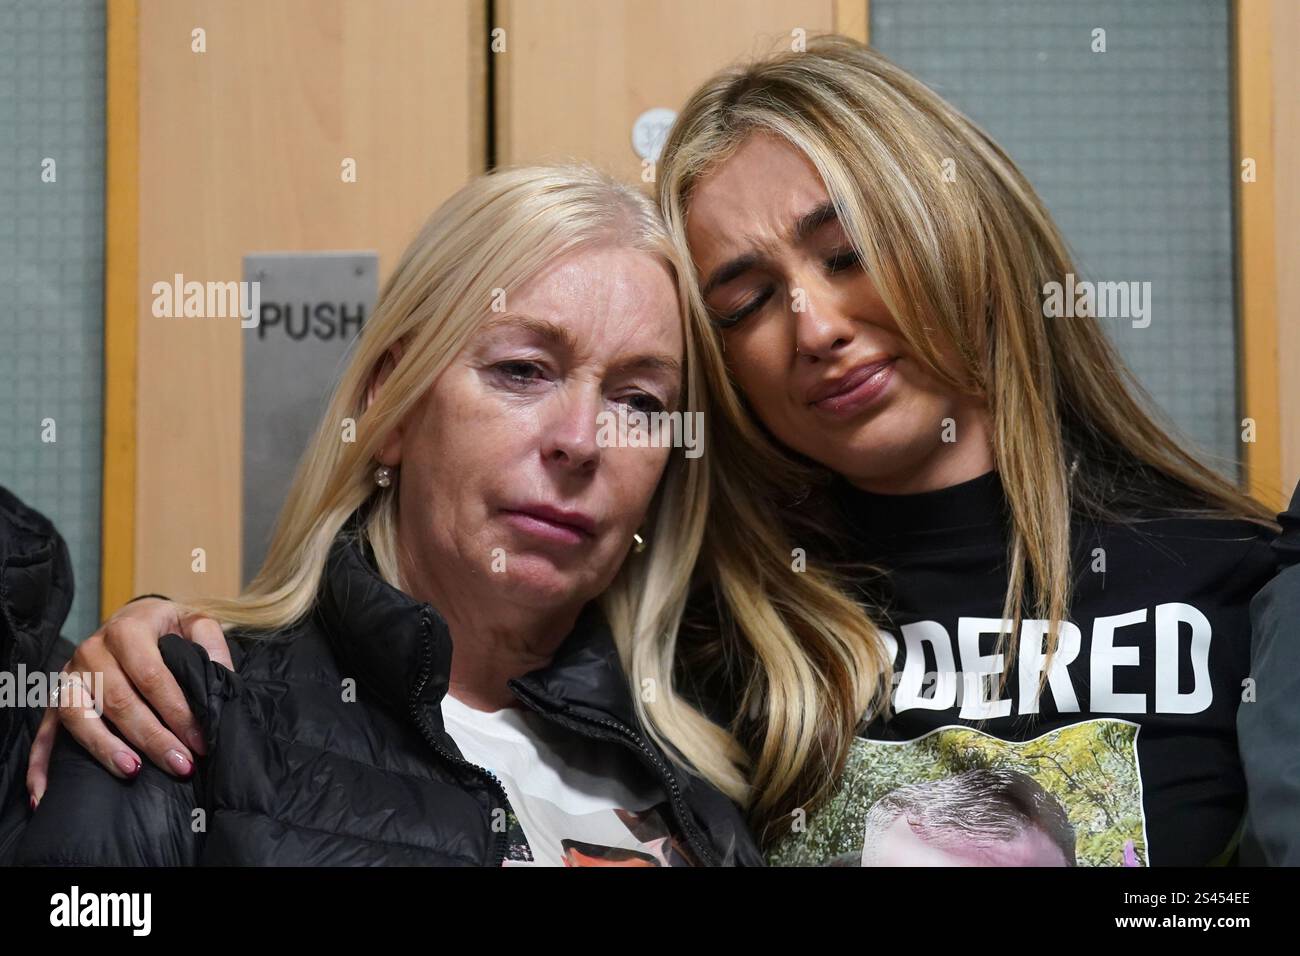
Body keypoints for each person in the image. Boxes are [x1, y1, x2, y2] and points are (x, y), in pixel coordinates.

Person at [24, 36, 1283, 867]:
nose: (816, 323)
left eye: (848, 251)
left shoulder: (1250, 585)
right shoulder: (713, 638)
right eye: (741, 299)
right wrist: (154, 640)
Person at [8, 163, 772, 866]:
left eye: (639, 402)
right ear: (393, 403)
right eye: (522, 370)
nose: (581, 441)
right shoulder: (172, 709)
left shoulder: (714, 769)